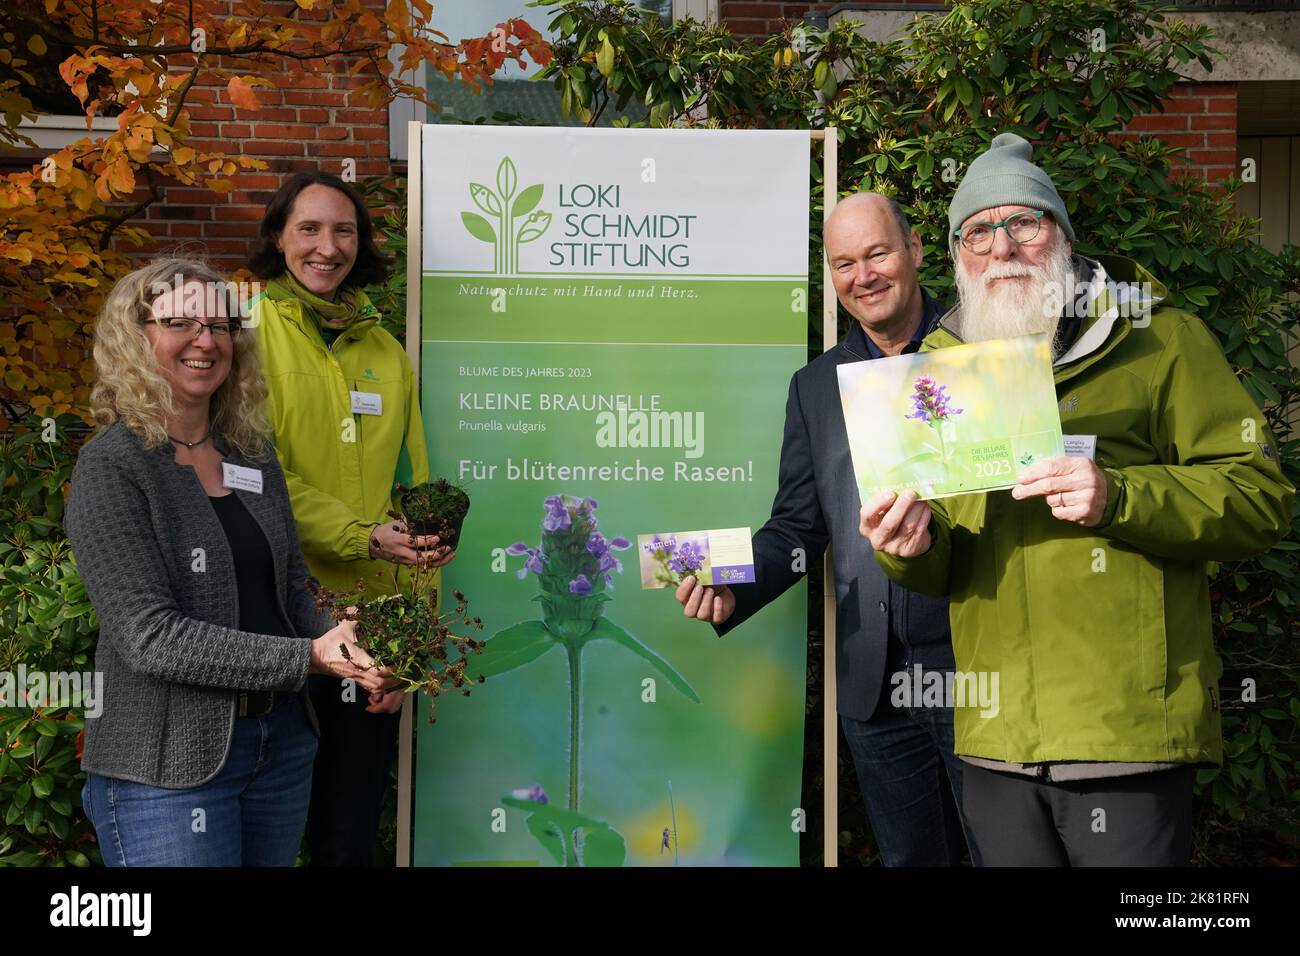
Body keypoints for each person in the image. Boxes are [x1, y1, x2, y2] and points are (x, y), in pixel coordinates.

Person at [862, 133, 1295, 866]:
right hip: (997, 740)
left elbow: (1259, 496)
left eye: (1023, 223)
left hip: (1125, 732)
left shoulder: (1160, 339)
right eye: (978, 232)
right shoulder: (937, 374)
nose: (1002, 247)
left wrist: (1120, 494)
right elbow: (944, 557)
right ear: (959, 258)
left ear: (1060, 236)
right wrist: (911, 549)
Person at [676, 193, 975, 865]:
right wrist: (730, 583)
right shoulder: (815, 386)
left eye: (877, 254)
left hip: (977, 666)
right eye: (844, 263)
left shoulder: (978, 357)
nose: (862, 276)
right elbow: (795, 531)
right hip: (872, 679)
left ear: (916, 250)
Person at [66, 257, 385, 867]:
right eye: (182, 323)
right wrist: (309, 658)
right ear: (138, 336)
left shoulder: (252, 454)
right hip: (167, 767)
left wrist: (356, 646)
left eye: (220, 325)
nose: (206, 341)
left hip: (282, 748)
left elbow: (291, 585)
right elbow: (150, 638)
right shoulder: (113, 467)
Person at [247, 171, 453, 867]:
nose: (327, 247)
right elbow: (256, 478)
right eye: (308, 228)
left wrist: (408, 652)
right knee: (263, 833)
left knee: (348, 834)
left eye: (344, 231)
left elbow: (414, 499)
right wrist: (358, 533)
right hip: (272, 620)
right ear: (278, 237)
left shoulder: (386, 352)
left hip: (369, 636)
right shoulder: (243, 336)